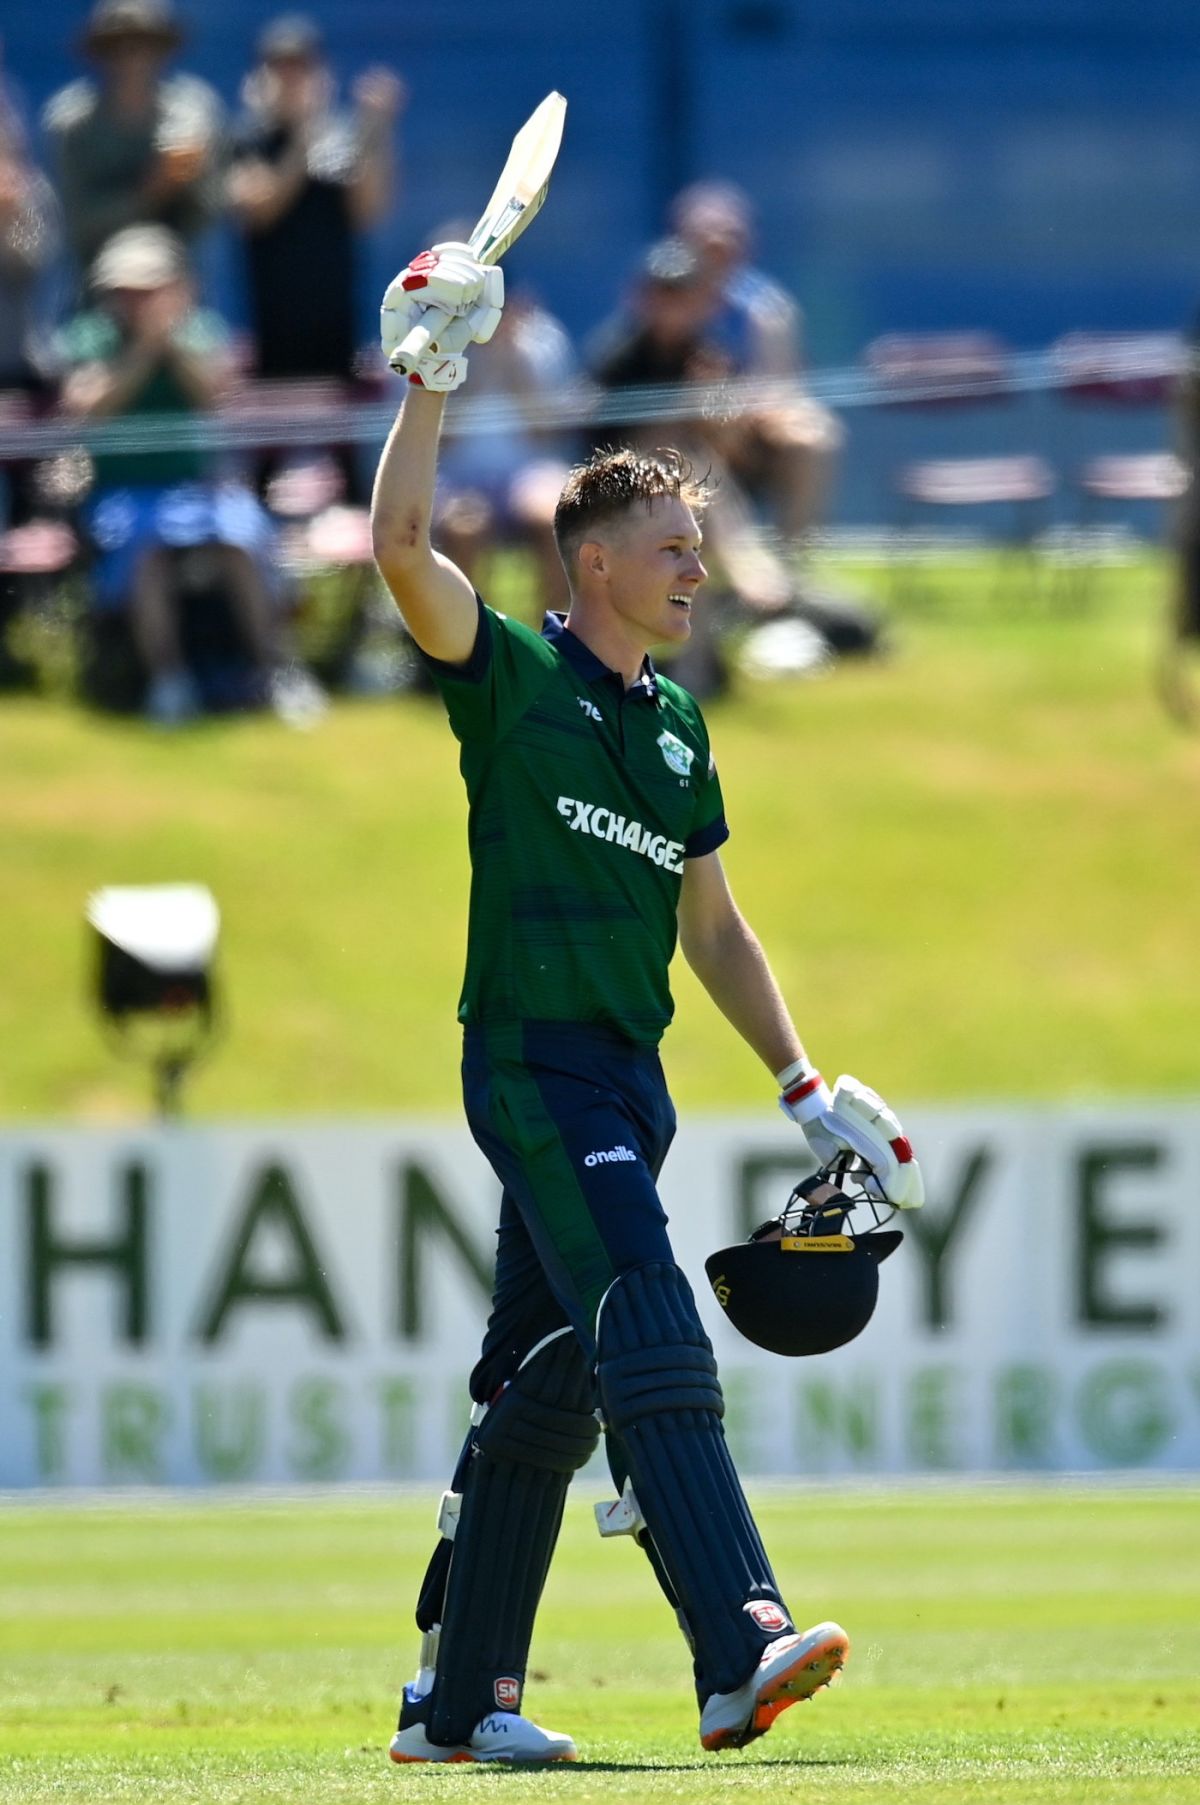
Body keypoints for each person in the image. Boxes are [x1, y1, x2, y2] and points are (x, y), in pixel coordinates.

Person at [369, 238, 924, 1765]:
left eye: (702, 541)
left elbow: (715, 924)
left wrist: (808, 1084)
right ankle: (739, 1643)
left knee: (544, 1383)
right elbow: (402, 544)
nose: (698, 564)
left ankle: (455, 1700)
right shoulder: (511, 677)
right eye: (672, 543)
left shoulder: (680, 728)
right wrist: (430, 375)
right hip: (533, 1065)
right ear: (592, 559)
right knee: (648, 1316)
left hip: (634, 1080)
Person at [58, 223, 322, 726]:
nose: (137, 302)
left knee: (243, 539)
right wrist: (144, 351)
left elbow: (213, 396)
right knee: (147, 551)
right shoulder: (89, 335)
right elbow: (88, 407)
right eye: (127, 292)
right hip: (123, 496)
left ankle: (277, 672)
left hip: (202, 491)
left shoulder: (200, 330)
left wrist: (172, 346)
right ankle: (169, 682)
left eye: (148, 290)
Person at [226, 13, 404, 501]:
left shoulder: (342, 141)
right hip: (274, 345)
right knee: (265, 486)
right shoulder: (246, 140)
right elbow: (258, 208)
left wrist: (377, 127)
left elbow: (369, 208)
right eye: (281, 69)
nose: (293, 81)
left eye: (302, 68)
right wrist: (305, 134)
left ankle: (363, 577)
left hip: (336, 340)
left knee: (350, 486)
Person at [671, 180, 843, 553]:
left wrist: (740, 413)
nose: (719, 248)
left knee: (814, 437)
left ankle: (792, 566)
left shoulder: (767, 308)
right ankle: (727, 571)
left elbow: (780, 386)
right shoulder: (662, 297)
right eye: (707, 239)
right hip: (682, 433)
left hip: (753, 427)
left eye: (730, 237)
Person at [42, 0, 224, 284]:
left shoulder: (195, 114)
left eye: (143, 46)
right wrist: (152, 190)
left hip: (179, 290)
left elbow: (210, 215)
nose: (132, 59)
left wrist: (193, 179)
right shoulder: (72, 125)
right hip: (97, 293)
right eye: (117, 48)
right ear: (99, 55)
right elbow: (75, 226)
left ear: (162, 52)